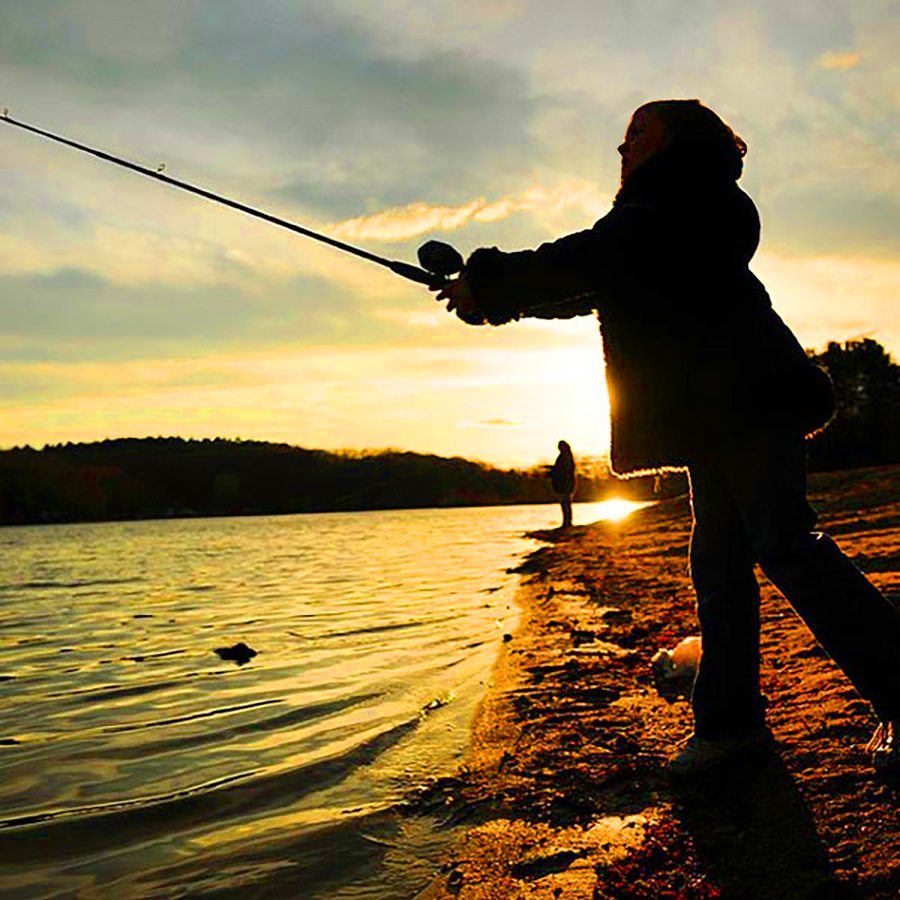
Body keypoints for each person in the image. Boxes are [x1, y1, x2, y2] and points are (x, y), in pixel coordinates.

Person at [431, 99, 900, 777]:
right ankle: (730, 727)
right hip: (714, 415)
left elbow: (600, 258)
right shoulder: (659, 218)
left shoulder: (690, 202)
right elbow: (600, 281)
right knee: (720, 564)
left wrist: (494, 282)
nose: (622, 149)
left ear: (680, 146)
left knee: (784, 545)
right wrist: (492, 299)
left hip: (750, 401)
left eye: (638, 136)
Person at [550, 440, 577, 527]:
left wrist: (553, 471)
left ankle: (567, 522)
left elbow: (563, 471)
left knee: (565, 504)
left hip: (564, 484)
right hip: (565, 484)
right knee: (566, 504)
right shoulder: (567, 456)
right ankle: (567, 522)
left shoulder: (565, 457)